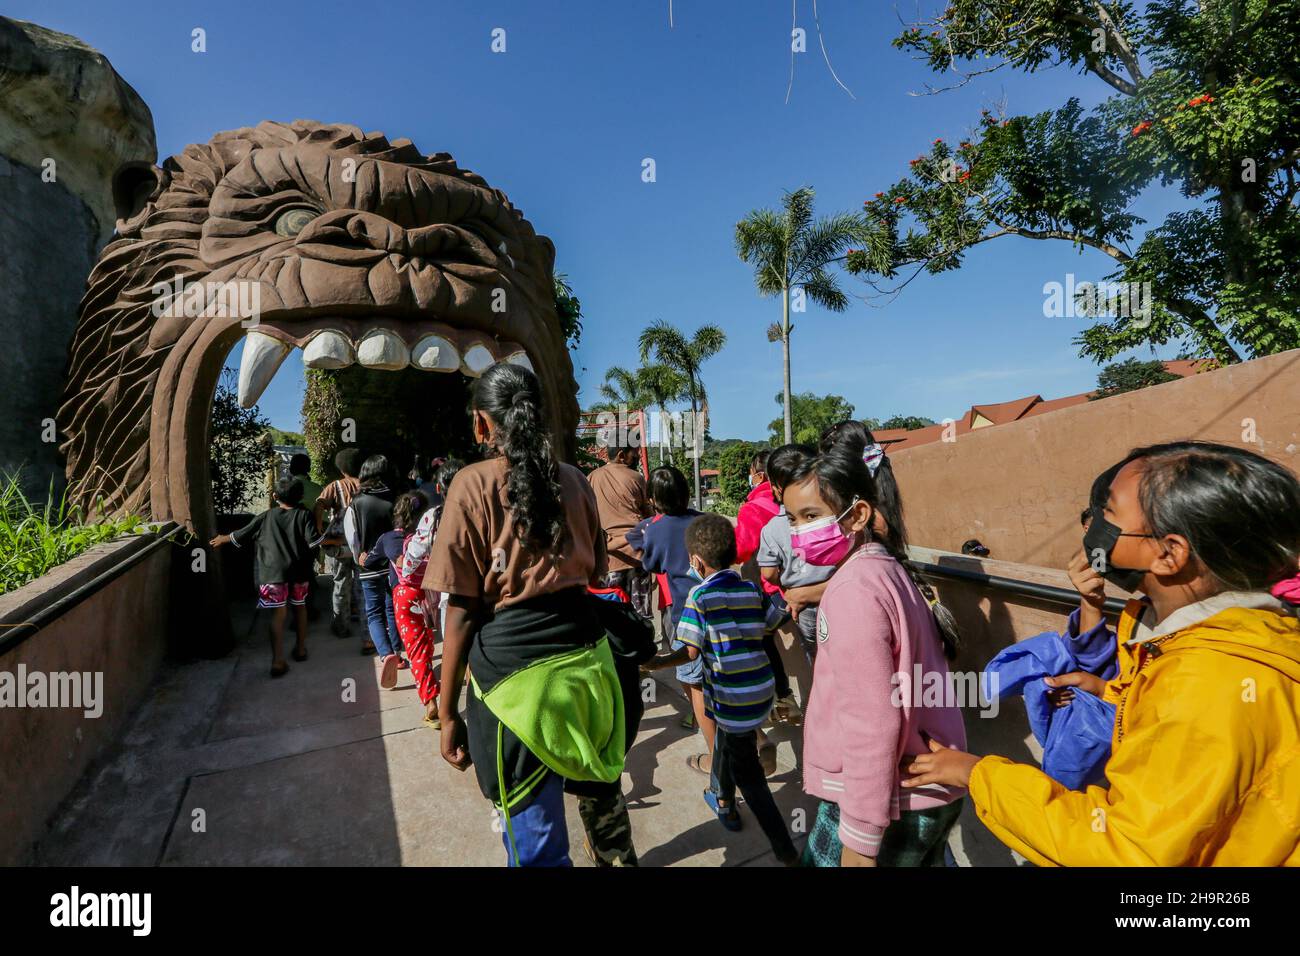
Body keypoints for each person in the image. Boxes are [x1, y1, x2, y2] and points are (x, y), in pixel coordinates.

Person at [904, 441, 1300, 866]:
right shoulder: (1193, 637)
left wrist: (977, 774)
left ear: (1169, 554)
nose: (1094, 526)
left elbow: (1122, 850)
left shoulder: (1210, 681)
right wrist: (1115, 695)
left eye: (1109, 514)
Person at [425, 363, 625, 868]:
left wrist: (447, 713)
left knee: (538, 846)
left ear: (480, 423)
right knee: (606, 811)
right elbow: (596, 575)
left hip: (517, 691)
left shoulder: (469, 486)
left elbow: (464, 612)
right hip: (589, 670)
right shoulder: (577, 481)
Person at [783, 446, 967, 867]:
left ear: (857, 514)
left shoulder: (852, 591)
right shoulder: (884, 569)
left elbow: (871, 720)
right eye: (792, 519)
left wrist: (861, 840)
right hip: (920, 794)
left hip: (883, 801)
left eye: (811, 516)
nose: (799, 531)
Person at [647, 513, 799, 864]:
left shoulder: (699, 597)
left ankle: (784, 848)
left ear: (696, 562)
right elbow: (775, 621)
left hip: (730, 697)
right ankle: (722, 798)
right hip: (760, 690)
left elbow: (688, 651)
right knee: (729, 746)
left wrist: (656, 663)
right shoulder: (750, 590)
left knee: (750, 776)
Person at [626, 466, 712, 767]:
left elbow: (651, 563)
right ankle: (753, 738)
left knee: (694, 685)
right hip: (717, 606)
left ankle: (717, 759)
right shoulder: (703, 520)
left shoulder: (656, 528)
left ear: (653, 499)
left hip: (685, 614)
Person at [210, 478, 317, 678]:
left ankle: (277, 661)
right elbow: (314, 542)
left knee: (278, 614)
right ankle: (301, 650)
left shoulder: (266, 516)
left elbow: (241, 534)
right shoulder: (305, 515)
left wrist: (221, 539)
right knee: (300, 608)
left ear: (275, 497)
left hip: (272, 574)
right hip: (299, 573)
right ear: (301, 496)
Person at [734, 449, 797, 737]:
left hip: (778, 593)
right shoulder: (795, 500)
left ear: (759, 475)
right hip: (807, 589)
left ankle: (771, 702)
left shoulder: (753, 508)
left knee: (752, 637)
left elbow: (742, 550)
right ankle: (783, 697)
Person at [757, 443, 824, 670]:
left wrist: (788, 582)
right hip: (840, 598)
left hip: (804, 608)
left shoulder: (772, 529)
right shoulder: (833, 515)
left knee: (817, 661)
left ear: (775, 488)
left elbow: (768, 573)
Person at [376, 490, 440, 722]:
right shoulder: (433, 537)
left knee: (416, 650)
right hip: (431, 592)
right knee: (429, 640)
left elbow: (370, 561)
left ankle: (430, 700)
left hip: (405, 596)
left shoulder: (389, 539)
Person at [347, 454, 406, 689]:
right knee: (392, 608)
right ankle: (399, 654)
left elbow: (352, 536)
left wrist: (358, 557)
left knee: (373, 612)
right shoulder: (396, 499)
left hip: (368, 564)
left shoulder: (356, 502)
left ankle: (385, 653)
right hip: (392, 565)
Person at [587, 443, 653, 617]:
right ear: (622, 455)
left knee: (612, 617)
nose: (638, 457)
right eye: (635, 453)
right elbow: (650, 518)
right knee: (641, 617)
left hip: (608, 559)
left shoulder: (591, 478)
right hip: (638, 556)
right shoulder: (636, 478)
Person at [315, 448, 363, 641]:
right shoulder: (367, 485)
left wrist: (319, 528)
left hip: (340, 545)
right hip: (362, 545)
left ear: (341, 469)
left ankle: (341, 626)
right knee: (362, 584)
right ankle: (365, 622)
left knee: (340, 584)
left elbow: (319, 505)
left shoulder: (335, 486)